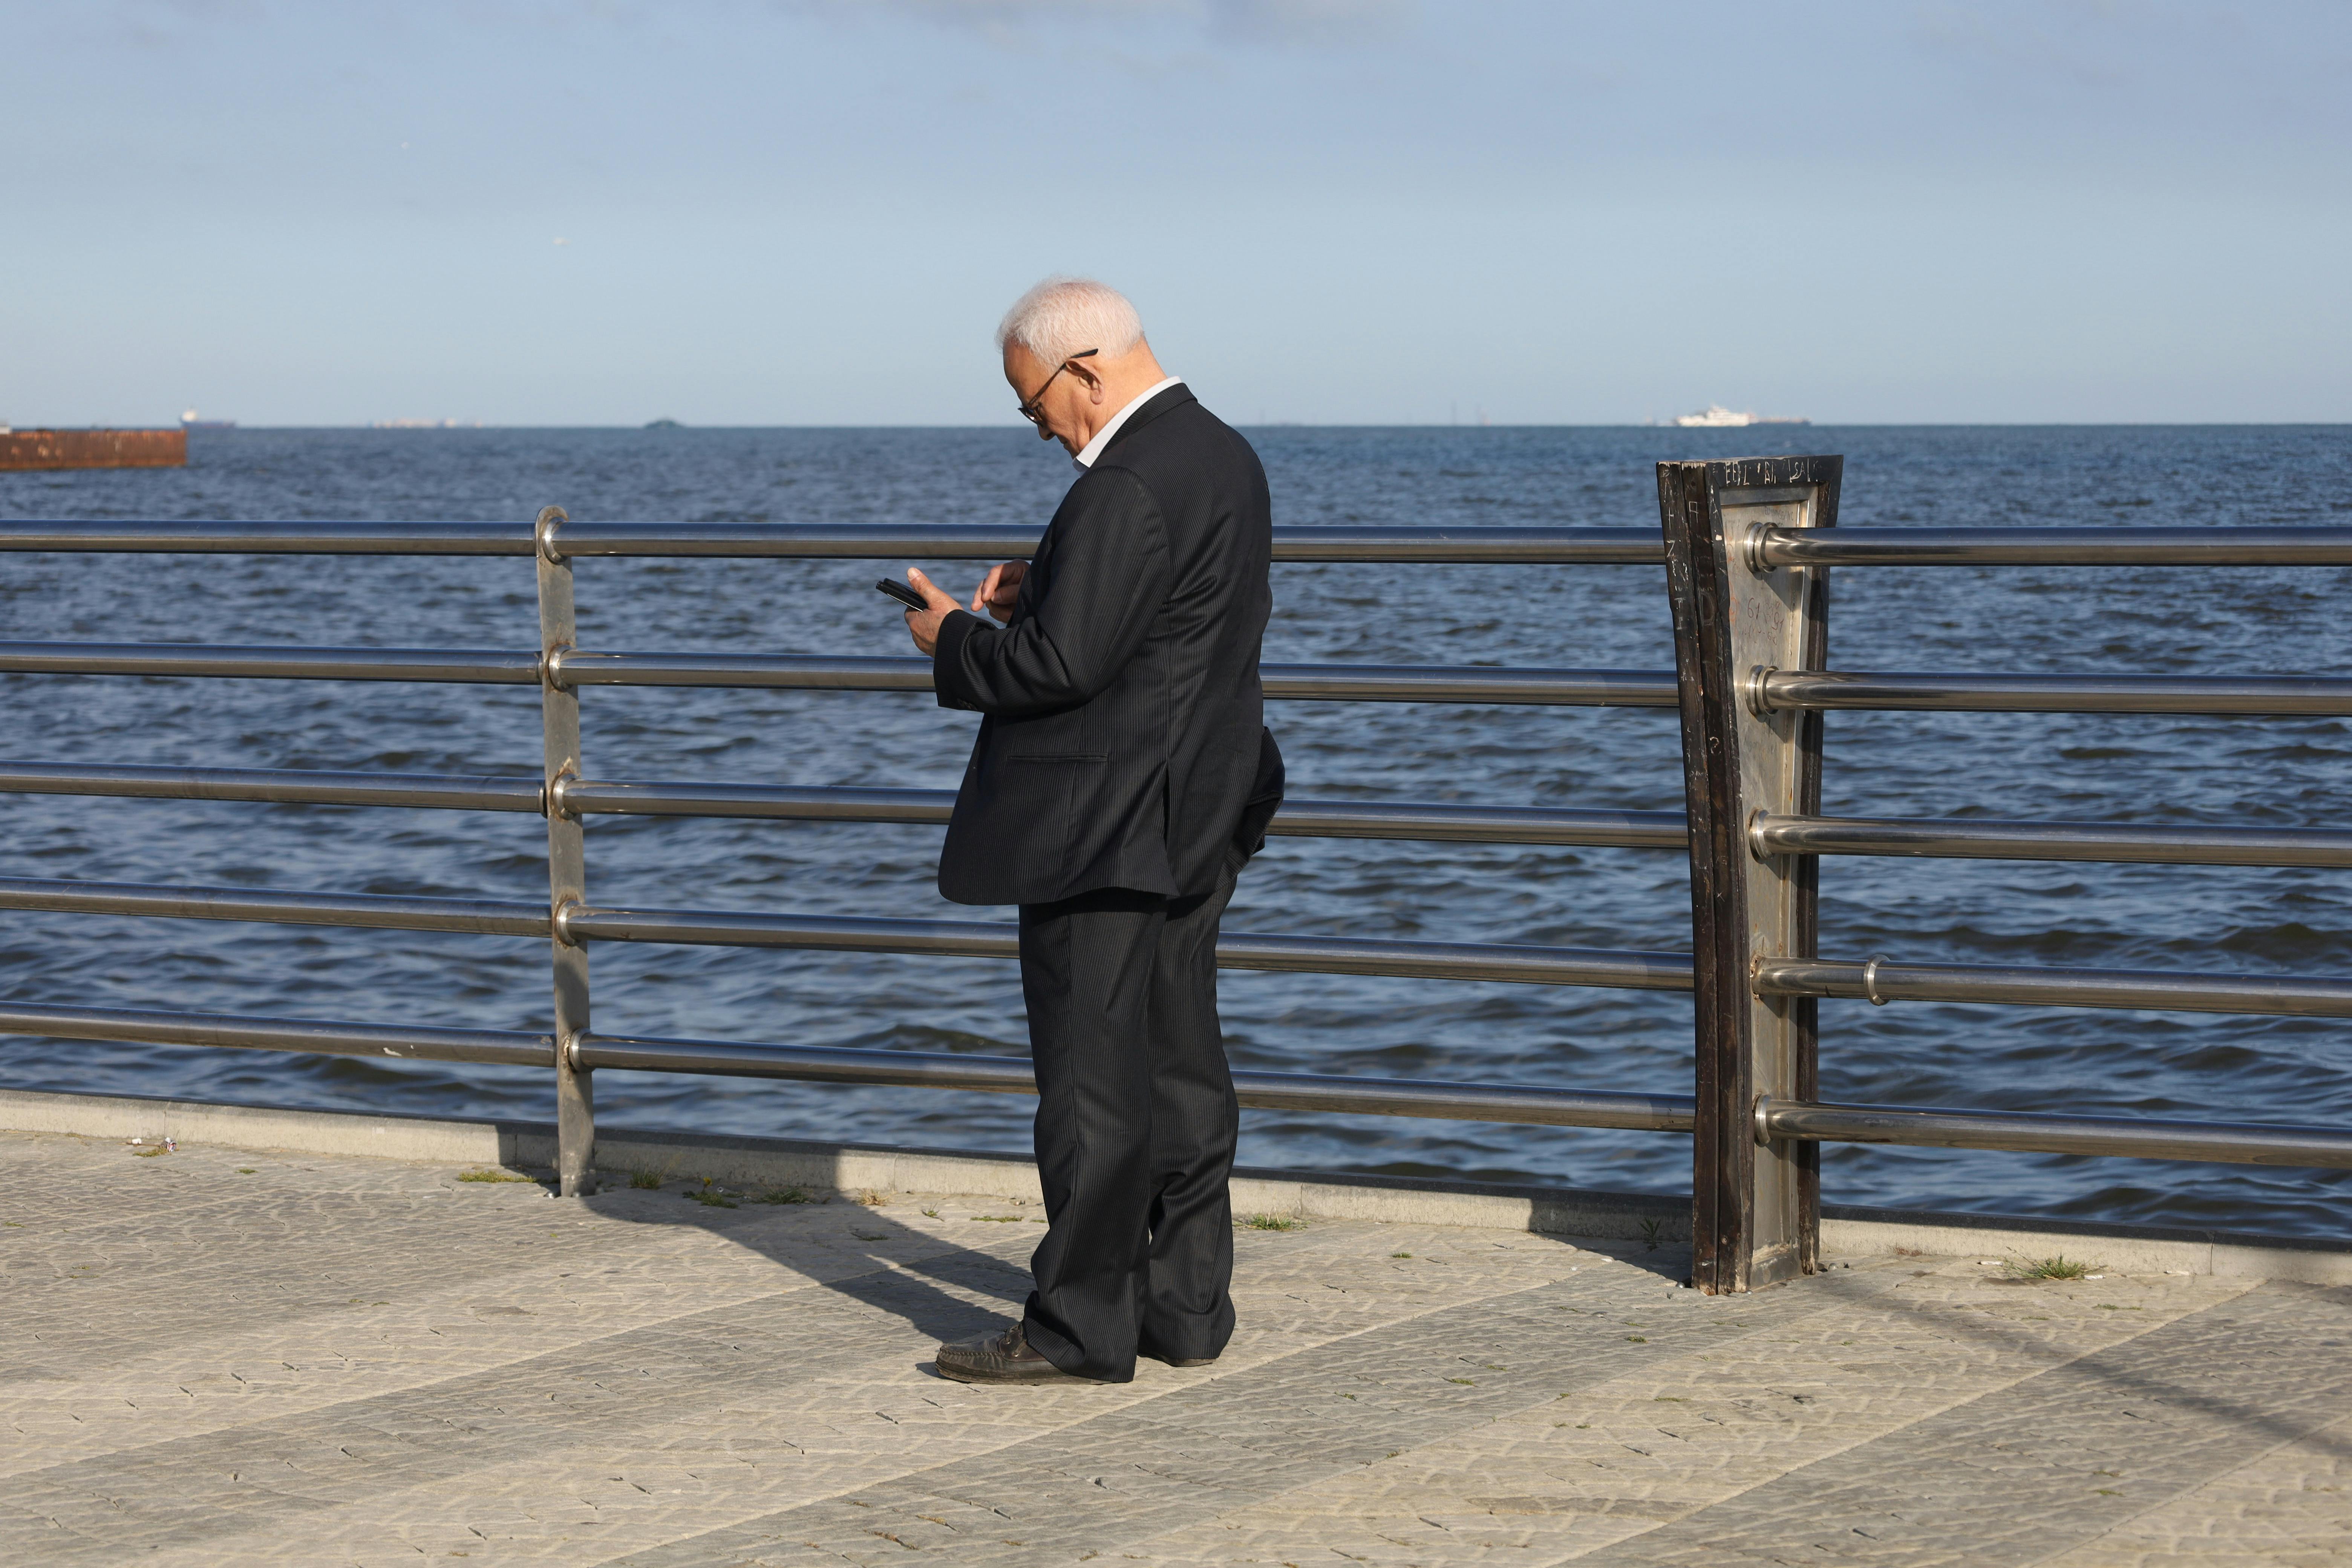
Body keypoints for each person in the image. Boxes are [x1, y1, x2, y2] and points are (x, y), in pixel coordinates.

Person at [896, 277, 1283, 1384]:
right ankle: (1186, 1309)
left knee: (1090, 1086)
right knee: (1182, 1063)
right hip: (1200, 807)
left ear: (1085, 371)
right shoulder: (1223, 456)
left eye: (1036, 406)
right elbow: (1170, 627)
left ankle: (1078, 1328)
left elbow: (1059, 669)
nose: (1042, 430)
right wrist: (1058, 584)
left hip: (1102, 826)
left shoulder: (1123, 487)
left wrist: (952, 638)